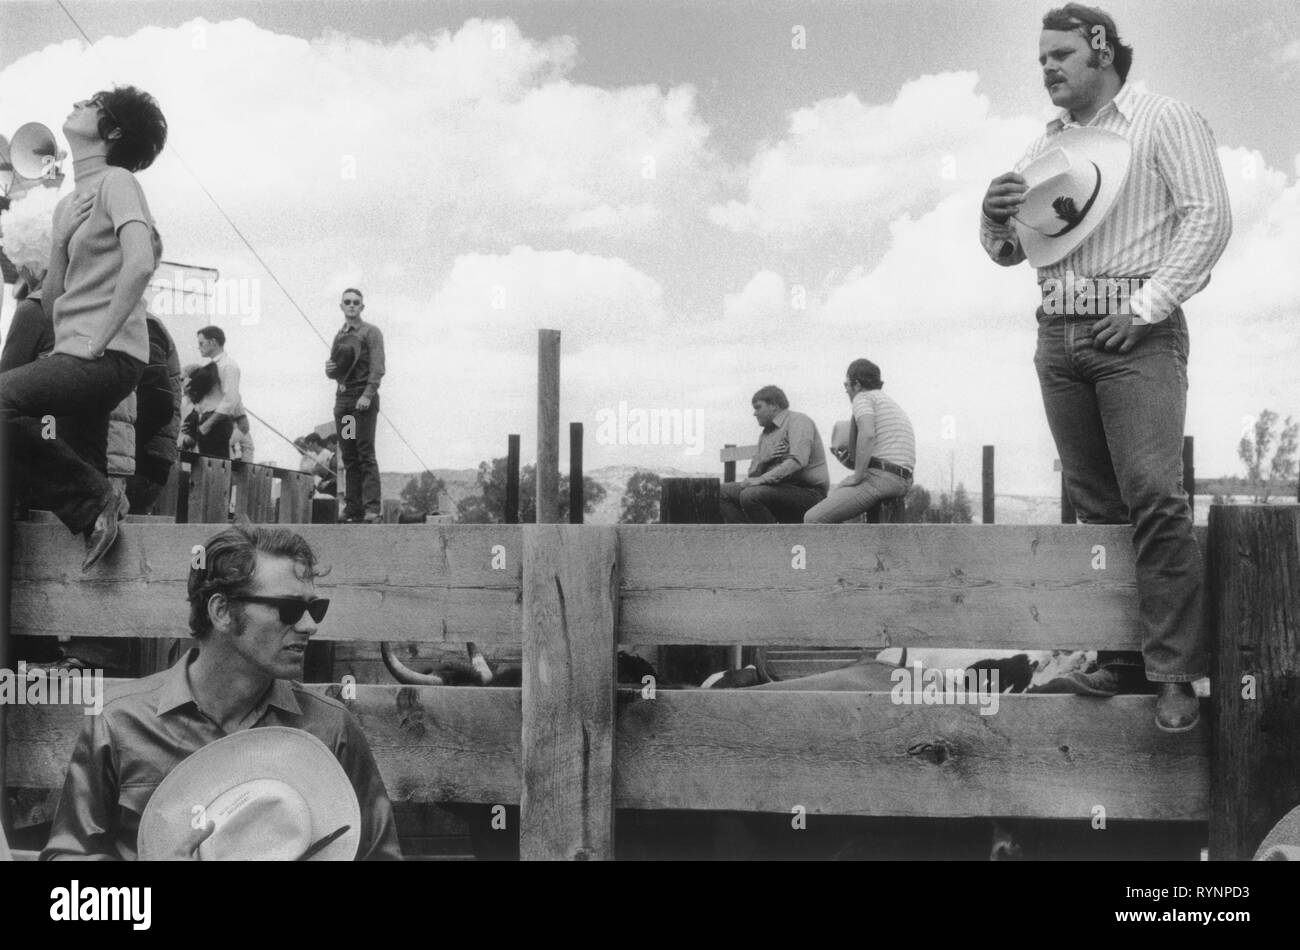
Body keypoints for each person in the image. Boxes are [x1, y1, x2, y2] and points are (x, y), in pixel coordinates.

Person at [979, 5, 1231, 731]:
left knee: (1153, 493)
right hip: (1058, 329)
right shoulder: (1041, 148)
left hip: (1135, 329)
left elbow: (1208, 217)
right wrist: (992, 216)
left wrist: (1147, 307)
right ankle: (1121, 661)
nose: (1048, 68)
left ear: (1101, 52)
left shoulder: (1162, 118)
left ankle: (1175, 674)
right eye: (1040, 59)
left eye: (1060, 54)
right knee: (1098, 508)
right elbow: (1010, 253)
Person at [41, 525, 403, 860]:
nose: (309, 625)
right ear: (222, 611)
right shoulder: (120, 724)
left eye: (315, 608)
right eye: (290, 608)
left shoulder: (330, 729)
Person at [0, 86, 168, 572]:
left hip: (106, 356)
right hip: (79, 354)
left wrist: (99, 339)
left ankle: (94, 501)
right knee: (84, 460)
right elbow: (52, 306)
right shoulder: (68, 204)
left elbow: (140, 264)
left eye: (92, 104)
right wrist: (58, 242)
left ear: (112, 131)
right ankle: (96, 649)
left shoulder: (117, 182)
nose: (77, 103)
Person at [804, 359, 915, 523]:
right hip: (902, 479)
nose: (846, 390)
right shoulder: (886, 402)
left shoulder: (862, 398)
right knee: (839, 504)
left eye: (846, 385)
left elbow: (868, 434)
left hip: (882, 478)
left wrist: (857, 476)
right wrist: (852, 462)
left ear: (856, 384)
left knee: (813, 518)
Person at [720, 385, 829, 524]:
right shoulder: (765, 434)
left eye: (758, 407)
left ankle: (773, 542)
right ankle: (747, 539)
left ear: (773, 405)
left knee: (751, 495)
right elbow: (752, 478)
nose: (754, 413)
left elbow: (797, 461)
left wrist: (762, 479)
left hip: (809, 493)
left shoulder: (798, 421)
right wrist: (764, 460)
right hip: (777, 490)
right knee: (721, 492)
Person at [326, 288, 385, 523]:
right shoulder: (340, 335)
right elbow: (337, 368)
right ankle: (353, 507)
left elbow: (378, 367)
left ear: (362, 307)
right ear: (341, 306)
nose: (351, 305)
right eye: (347, 302)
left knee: (365, 452)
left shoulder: (371, 332)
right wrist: (329, 371)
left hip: (362, 401)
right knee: (349, 454)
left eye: (356, 302)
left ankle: (372, 508)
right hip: (345, 402)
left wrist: (368, 395)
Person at [126, 311, 182, 514]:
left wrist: (124, 446)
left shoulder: (142, 322)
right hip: (141, 461)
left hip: (138, 463)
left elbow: (158, 402)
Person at [194, 325, 253, 461]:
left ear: (213, 342)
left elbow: (230, 400)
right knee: (206, 469)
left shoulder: (228, 366)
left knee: (216, 470)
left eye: (201, 343)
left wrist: (207, 425)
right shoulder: (210, 368)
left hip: (216, 423)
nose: (199, 347)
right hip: (207, 421)